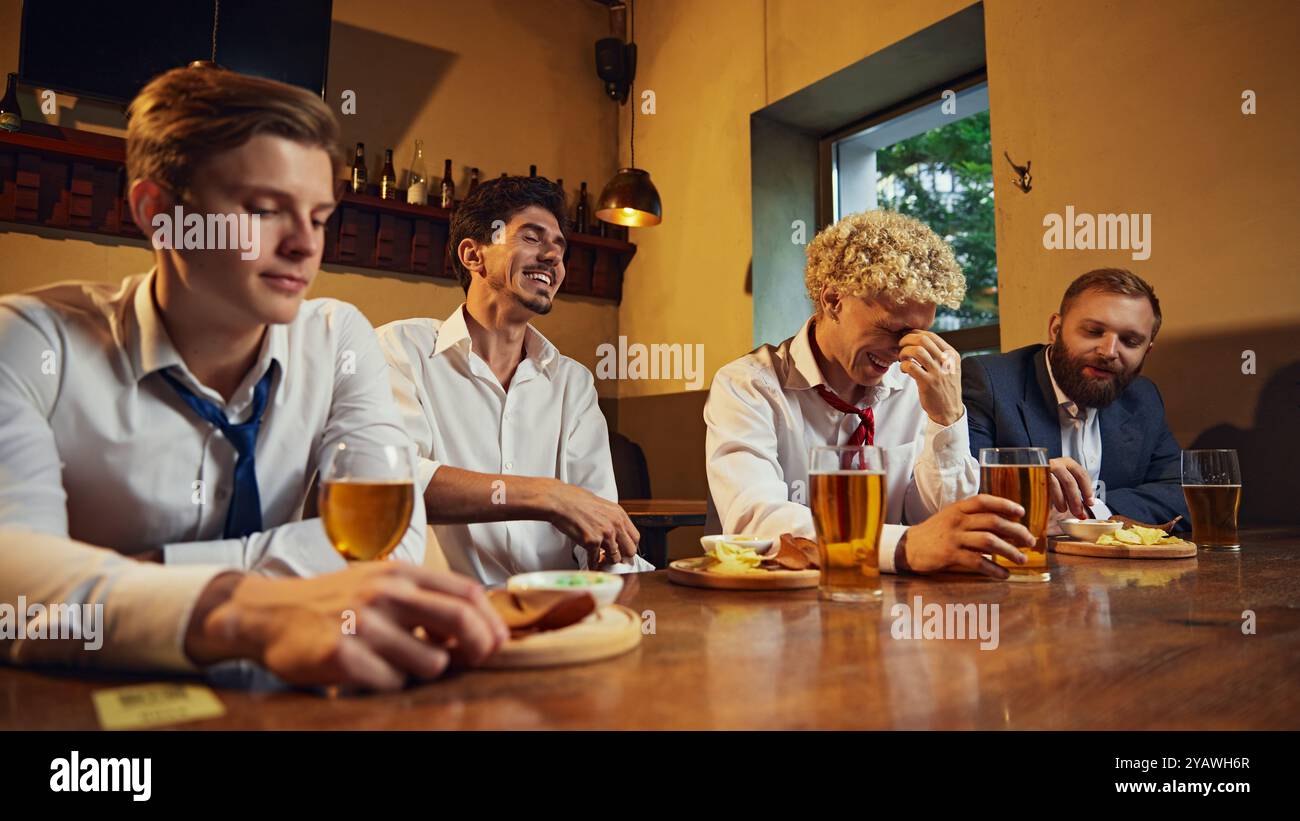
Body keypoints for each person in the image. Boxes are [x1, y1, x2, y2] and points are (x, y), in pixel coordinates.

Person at [0, 65, 505, 686]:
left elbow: (386, 549)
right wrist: (236, 610)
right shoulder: (27, 342)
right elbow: (11, 589)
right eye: (266, 210)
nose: (304, 246)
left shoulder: (337, 336)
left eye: (318, 217)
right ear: (158, 212)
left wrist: (151, 572)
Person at [705, 210, 1034, 578]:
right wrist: (903, 547)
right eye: (893, 331)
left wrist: (948, 418)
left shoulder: (915, 387)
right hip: (774, 605)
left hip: (888, 605)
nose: (904, 350)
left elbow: (945, 527)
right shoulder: (748, 386)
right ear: (832, 301)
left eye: (921, 333)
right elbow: (756, 521)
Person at [379, 176, 652, 583]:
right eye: (531, 237)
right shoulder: (401, 349)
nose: (552, 257)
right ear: (473, 255)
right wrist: (546, 494)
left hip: (561, 613)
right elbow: (388, 484)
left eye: (560, 248)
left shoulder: (573, 383)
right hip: (444, 621)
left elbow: (600, 522)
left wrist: (610, 576)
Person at [962, 268, 1189, 531]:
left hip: (1121, 570)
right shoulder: (989, 381)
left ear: (1146, 350)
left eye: (1129, 341)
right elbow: (964, 490)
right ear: (1056, 329)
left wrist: (1091, 512)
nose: (1109, 352)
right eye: (1093, 331)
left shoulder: (1143, 397)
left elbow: (1182, 494)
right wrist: (1033, 491)